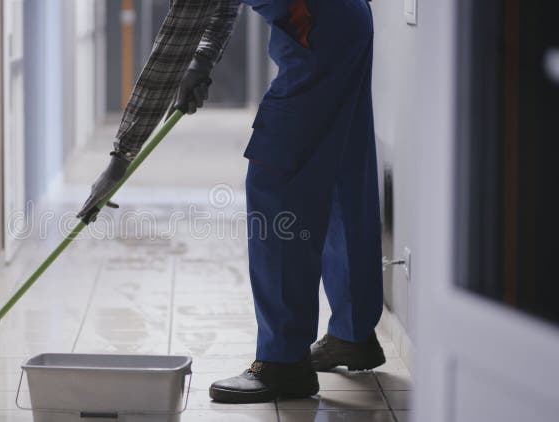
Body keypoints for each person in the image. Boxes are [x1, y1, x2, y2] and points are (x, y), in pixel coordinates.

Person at [78, 0, 384, 404]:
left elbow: (171, 47)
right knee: (344, 172)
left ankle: (283, 363)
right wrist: (201, 61)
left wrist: (120, 159)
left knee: (277, 185)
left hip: (318, 32)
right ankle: (352, 331)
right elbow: (220, 5)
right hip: (342, 21)